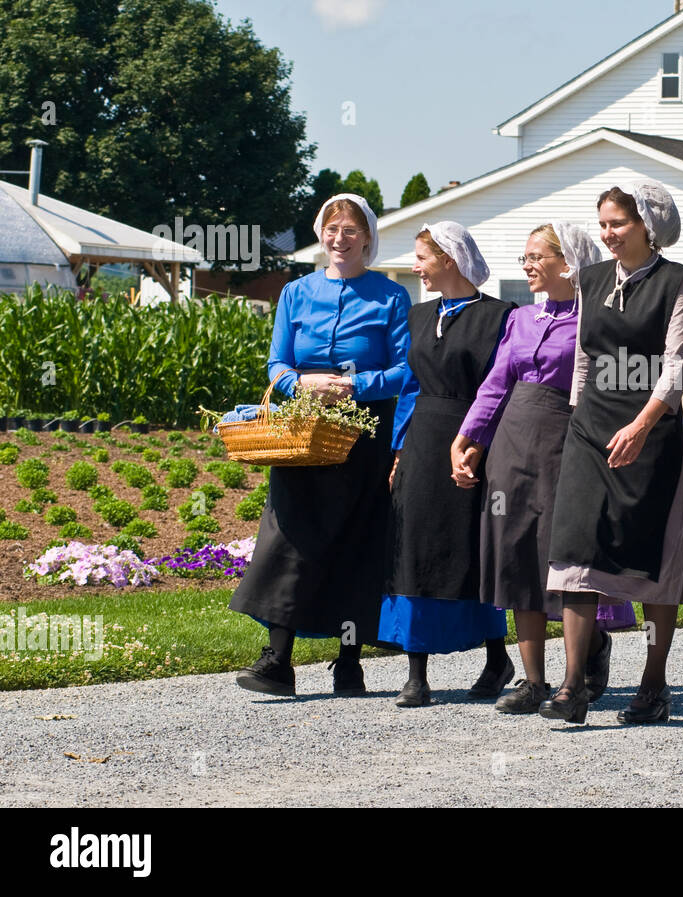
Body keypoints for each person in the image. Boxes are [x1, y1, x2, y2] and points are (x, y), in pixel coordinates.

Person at [231, 193, 410, 697]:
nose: (339, 238)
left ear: (368, 238)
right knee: (287, 538)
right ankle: (276, 661)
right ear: (321, 233)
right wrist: (300, 385)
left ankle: (349, 662)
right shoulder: (295, 292)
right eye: (332, 229)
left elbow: (403, 370)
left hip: (363, 433)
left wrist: (355, 386)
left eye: (351, 230)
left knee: (357, 541)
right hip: (302, 432)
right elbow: (276, 365)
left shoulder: (390, 297)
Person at [451, 222, 632, 714]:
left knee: (565, 556)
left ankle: (585, 658)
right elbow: (494, 385)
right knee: (515, 554)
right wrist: (468, 439)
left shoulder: (596, 319)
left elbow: (607, 387)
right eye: (524, 258)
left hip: (570, 444)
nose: (527, 265)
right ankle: (532, 681)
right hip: (512, 446)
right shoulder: (520, 319)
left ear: (567, 261)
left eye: (536, 256)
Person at [542, 180, 683, 725]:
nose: (609, 233)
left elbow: (676, 365)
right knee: (575, 548)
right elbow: (586, 359)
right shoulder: (588, 280)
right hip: (591, 429)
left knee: (653, 557)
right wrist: (575, 420)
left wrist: (640, 424)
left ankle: (652, 686)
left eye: (620, 223)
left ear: (648, 226)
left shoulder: (675, 281)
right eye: (604, 223)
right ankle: (572, 688)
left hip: (653, 431)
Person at [381, 221, 516, 708]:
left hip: (476, 440)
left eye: (421, 257)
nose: (415, 267)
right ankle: (416, 672)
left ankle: (497, 657)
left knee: (474, 549)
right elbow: (410, 388)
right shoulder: (417, 316)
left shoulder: (503, 316)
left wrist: (479, 442)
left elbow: (502, 386)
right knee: (414, 545)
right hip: (422, 442)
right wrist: (399, 450)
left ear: (449, 259)